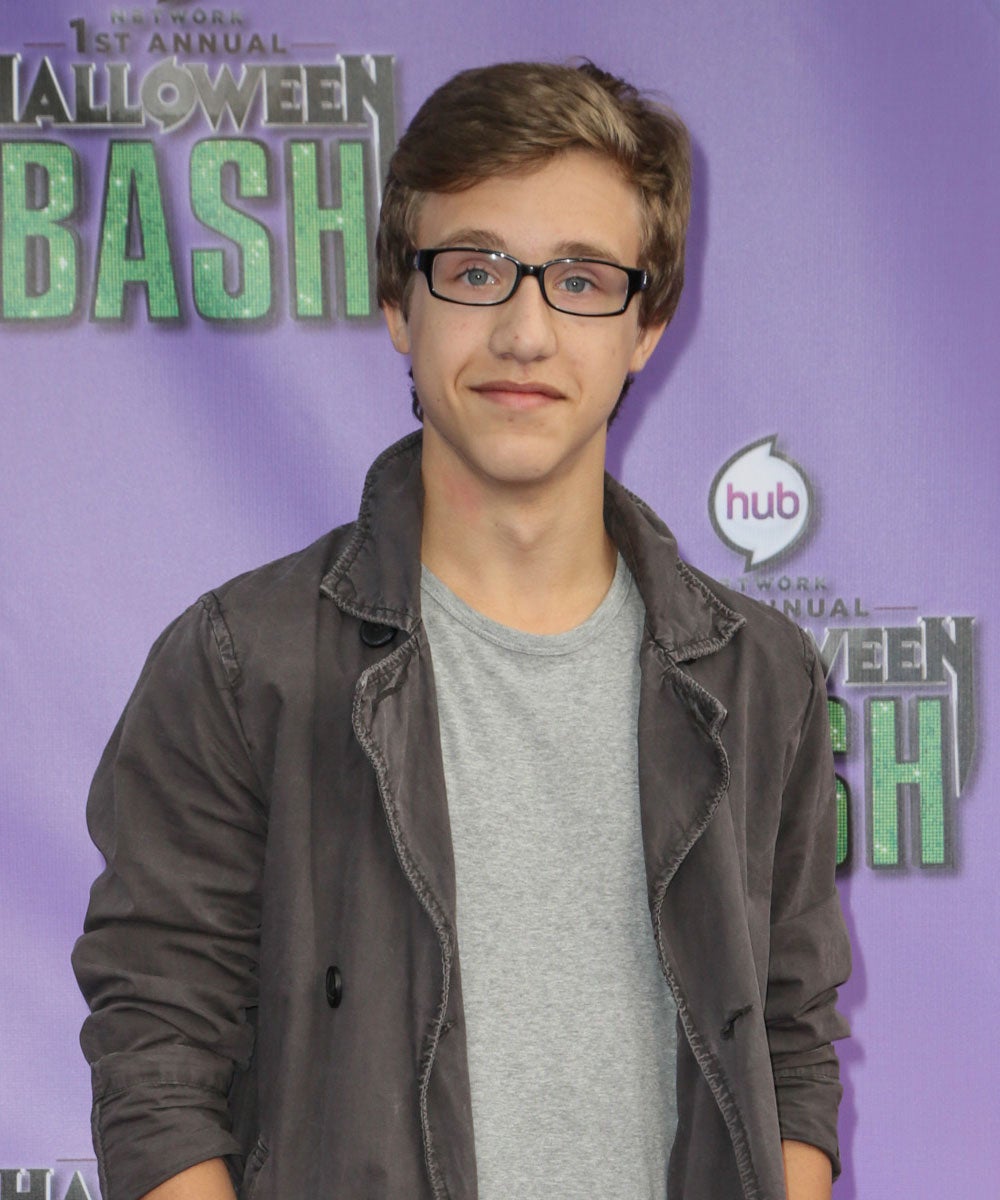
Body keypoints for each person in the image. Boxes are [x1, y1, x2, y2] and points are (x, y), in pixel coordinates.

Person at [73, 60, 851, 1200]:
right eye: (476, 270)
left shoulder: (758, 674)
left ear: (646, 325)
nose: (526, 332)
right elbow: (157, 1057)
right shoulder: (243, 663)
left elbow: (790, 1047)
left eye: (581, 279)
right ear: (400, 302)